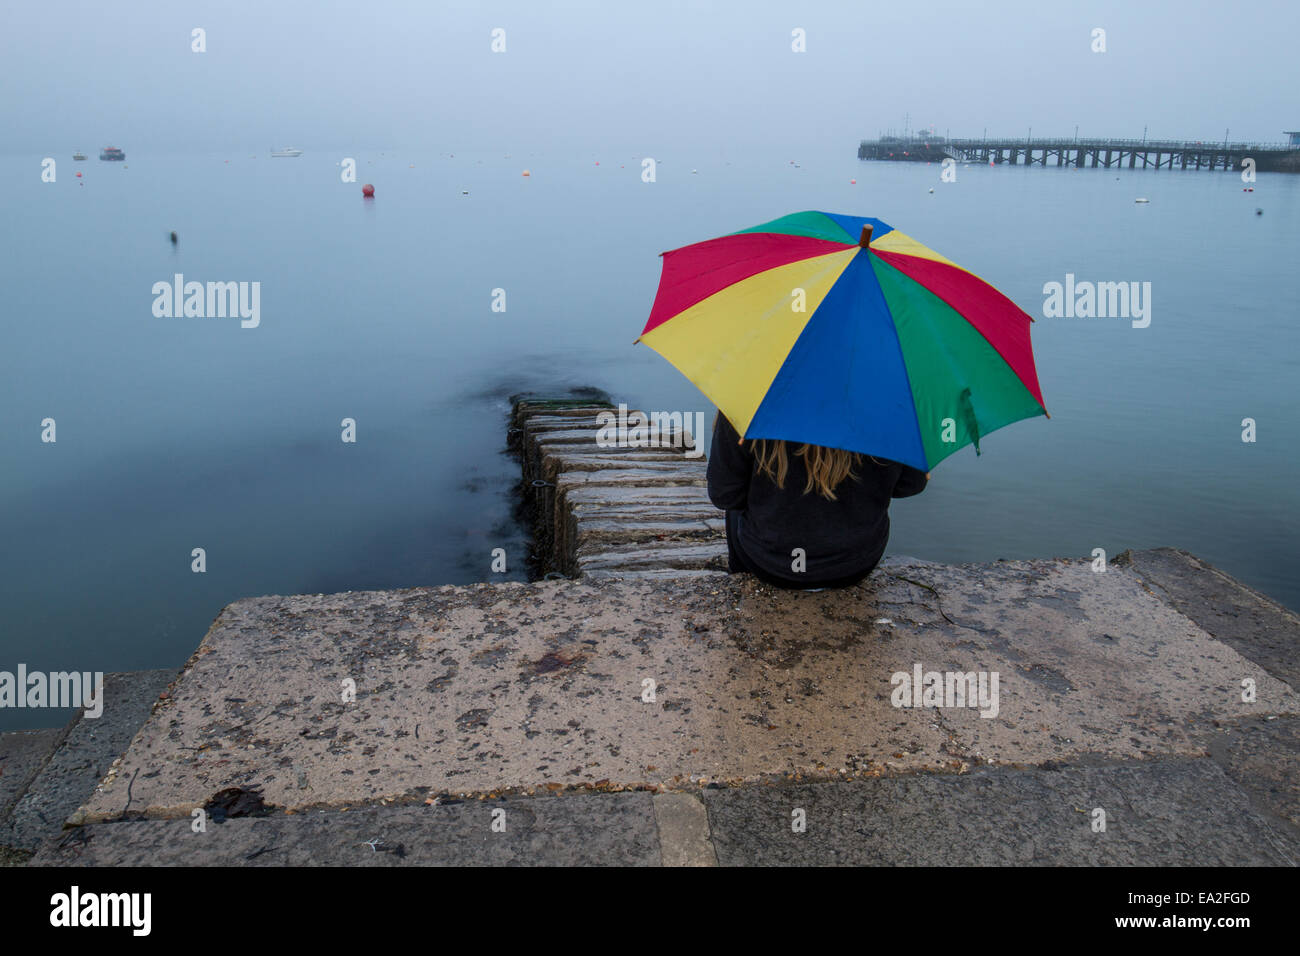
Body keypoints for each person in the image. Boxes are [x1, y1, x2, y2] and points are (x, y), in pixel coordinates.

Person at [706, 413, 928, 589]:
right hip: (855, 563)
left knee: (736, 509)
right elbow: (909, 484)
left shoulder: (749, 401)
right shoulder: (891, 401)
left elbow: (725, 495)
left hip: (769, 564)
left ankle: (740, 580)